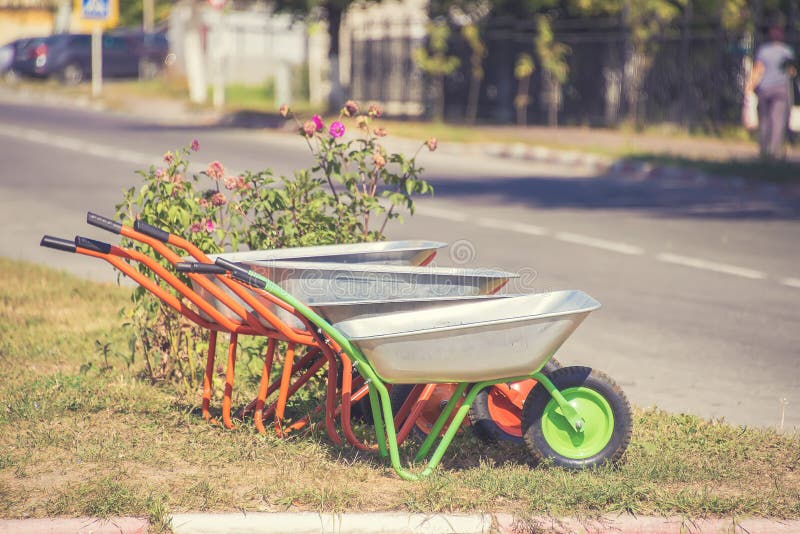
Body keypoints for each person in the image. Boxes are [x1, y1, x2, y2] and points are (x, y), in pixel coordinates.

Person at [746, 22, 796, 159]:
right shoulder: (787, 51)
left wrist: (749, 86)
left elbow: (758, 70)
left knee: (765, 120)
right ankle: (774, 151)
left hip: (765, 89)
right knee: (777, 120)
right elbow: (791, 71)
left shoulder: (764, 50)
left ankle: (763, 149)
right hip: (781, 89)